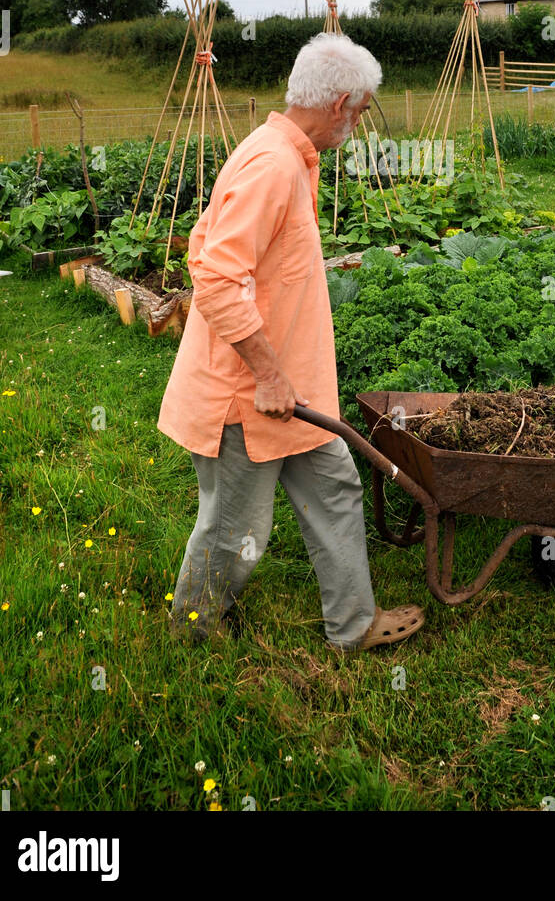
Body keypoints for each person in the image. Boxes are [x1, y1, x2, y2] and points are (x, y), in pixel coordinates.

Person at [158, 32, 424, 653]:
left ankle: (353, 624)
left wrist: (285, 376)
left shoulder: (283, 154)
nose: (358, 125)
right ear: (338, 104)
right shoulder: (272, 164)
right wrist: (269, 375)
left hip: (295, 393)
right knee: (234, 529)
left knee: (335, 489)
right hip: (248, 400)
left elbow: (206, 244)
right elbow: (216, 276)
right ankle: (193, 633)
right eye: (360, 112)